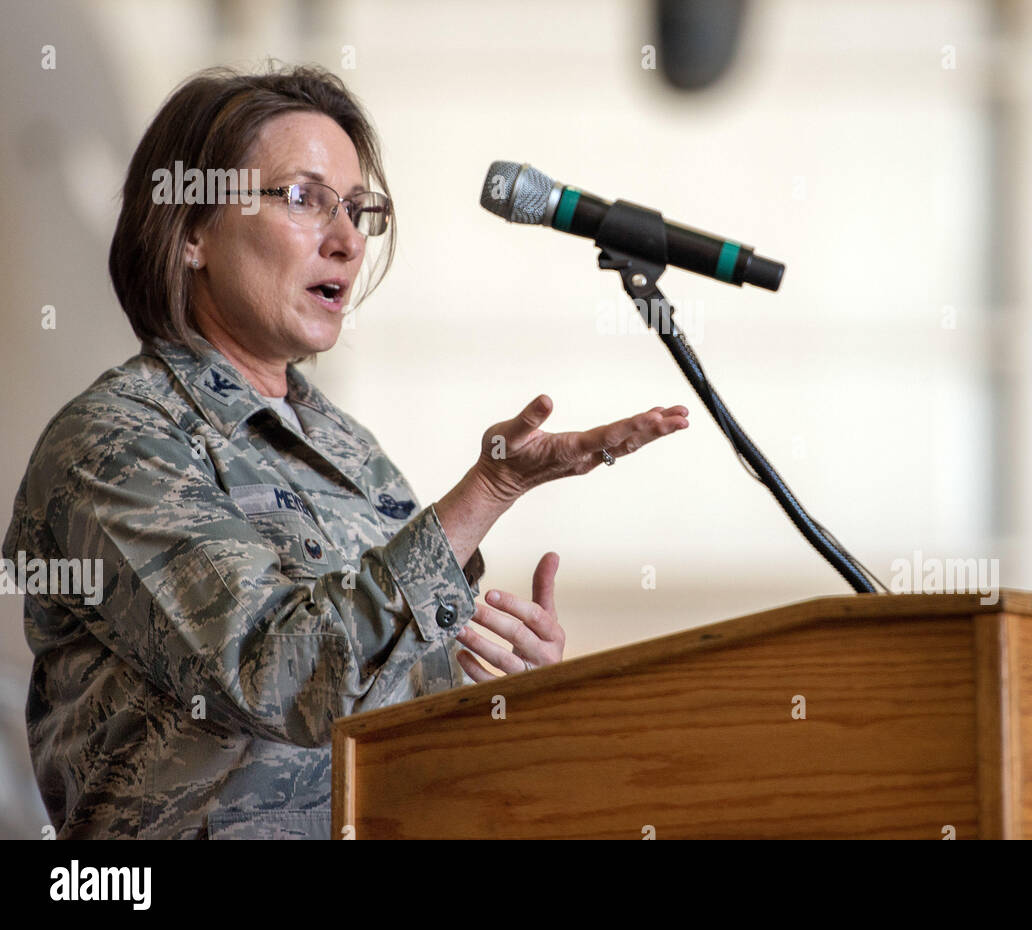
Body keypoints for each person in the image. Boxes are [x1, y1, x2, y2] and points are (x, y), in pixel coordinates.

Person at [2, 64, 689, 839]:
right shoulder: (116, 443)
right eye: (304, 198)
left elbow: (395, 709)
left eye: (360, 211)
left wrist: (517, 695)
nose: (347, 241)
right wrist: (485, 494)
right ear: (191, 229)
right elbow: (282, 676)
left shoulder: (347, 451)